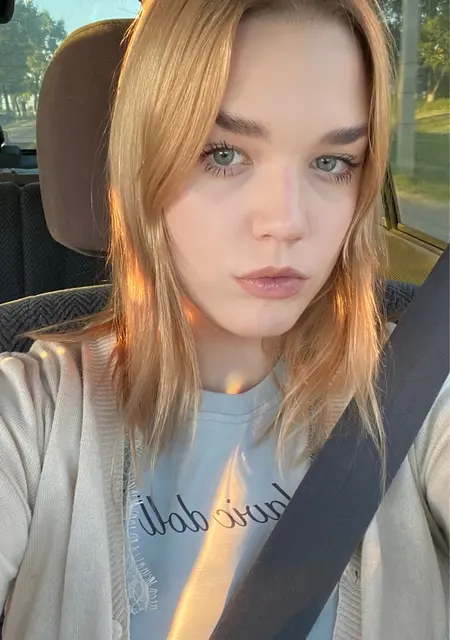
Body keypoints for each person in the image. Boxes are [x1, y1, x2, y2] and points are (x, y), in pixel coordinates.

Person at [0, 0, 448, 638]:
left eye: (332, 162)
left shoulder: (418, 391)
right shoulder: (29, 416)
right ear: (141, 167)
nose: (286, 222)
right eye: (223, 153)